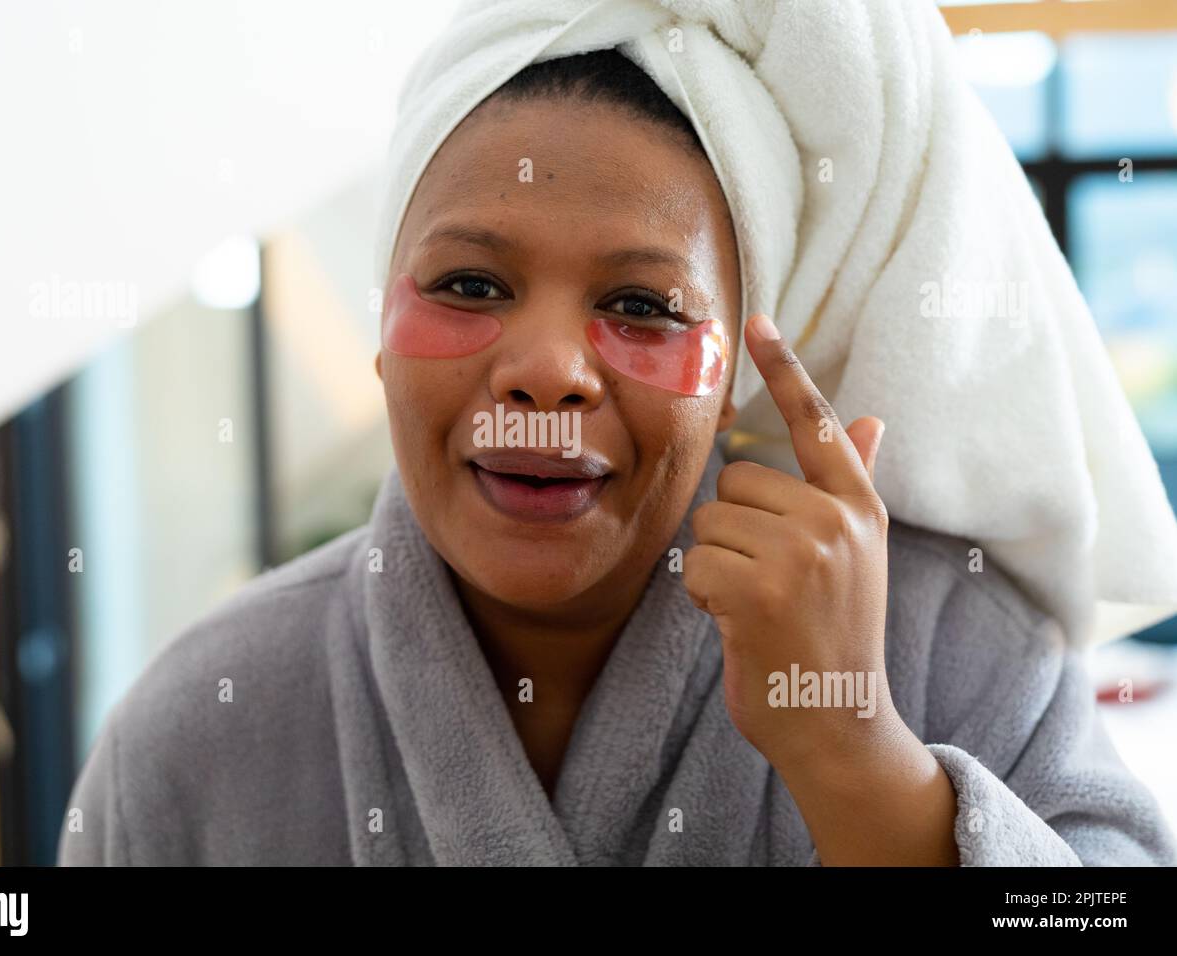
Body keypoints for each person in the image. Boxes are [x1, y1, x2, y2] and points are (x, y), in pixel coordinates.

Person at [57, 47, 1177, 867]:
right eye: (468, 285)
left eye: (641, 303)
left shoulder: (951, 655)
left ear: (738, 366)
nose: (545, 368)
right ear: (381, 338)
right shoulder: (200, 721)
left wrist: (857, 761)